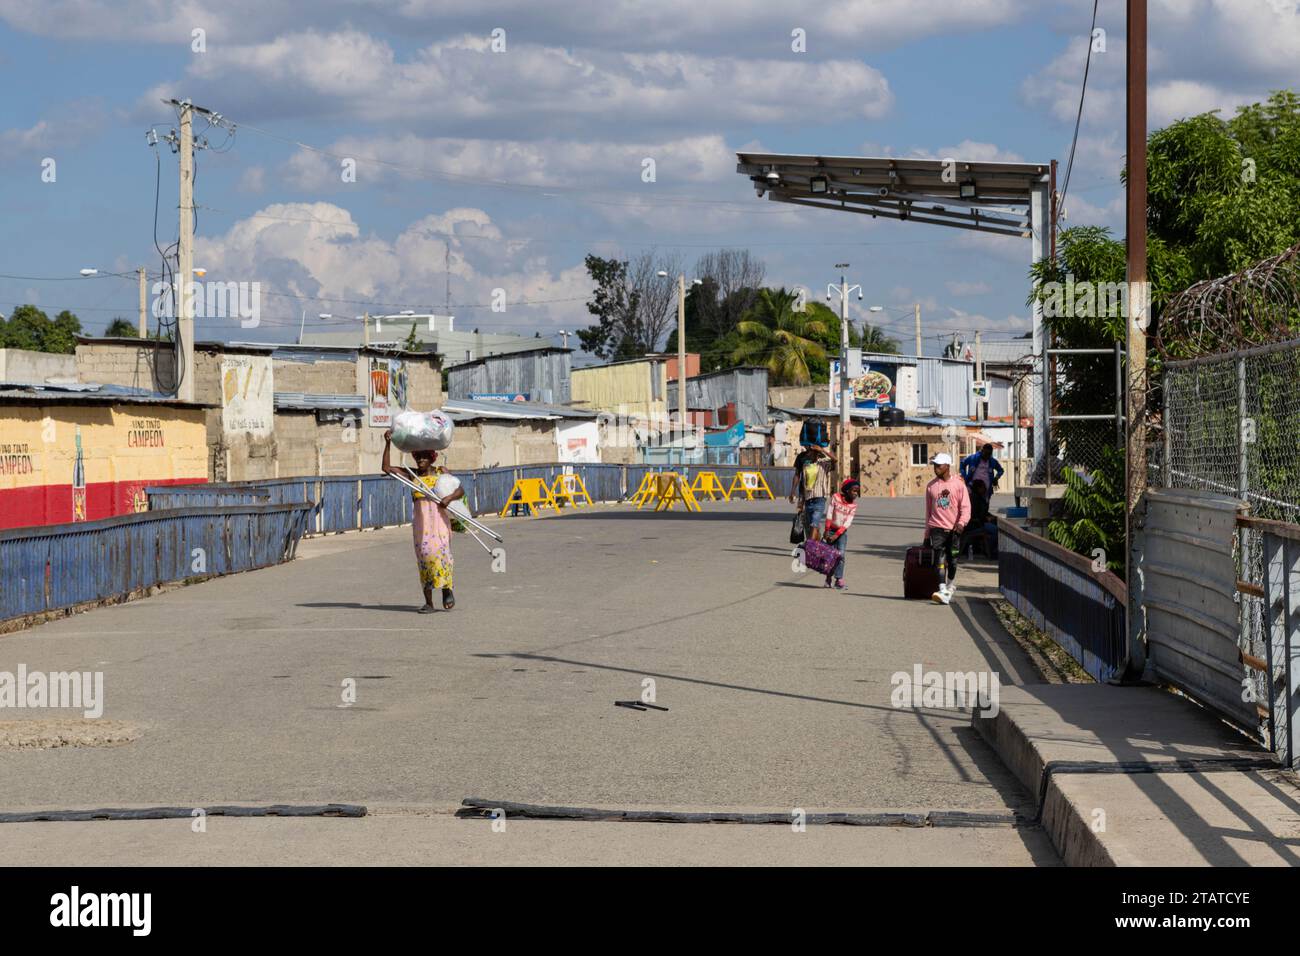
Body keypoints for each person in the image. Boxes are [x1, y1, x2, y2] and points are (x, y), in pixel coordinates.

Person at [382, 428, 465, 614]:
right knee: (425, 558)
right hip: (421, 526)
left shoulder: (440, 473)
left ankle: (446, 589)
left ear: (431, 458)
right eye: (417, 457)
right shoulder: (413, 476)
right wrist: (388, 443)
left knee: (441, 555)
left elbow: (460, 489)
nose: (420, 461)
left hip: (440, 524)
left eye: (423, 457)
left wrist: (449, 498)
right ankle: (429, 602)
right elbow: (386, 469)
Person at [925, 452, 970, 606]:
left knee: (953, 561)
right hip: (937, 528)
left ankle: (950, 586)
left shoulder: (958, 484)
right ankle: (943, 589)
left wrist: (961, 523)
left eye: (939, 465)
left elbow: (965, 507)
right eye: (934, 465)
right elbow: (928, 512)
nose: (936, 468)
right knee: (939, 560)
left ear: (947, 466)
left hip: (954, 530)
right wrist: (926, 534)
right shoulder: (931, 486)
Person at [790, 441, 834, 541]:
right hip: (804, 494)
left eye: (809, 444)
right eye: (806, 444)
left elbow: (834, 461)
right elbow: (797, 474)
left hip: (818, 494)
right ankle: (812, 542)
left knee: (814, 523)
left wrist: (822, 450)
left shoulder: (821, 456)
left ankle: (813, 544)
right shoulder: (801, 457)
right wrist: (792, 491)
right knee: (805, 520)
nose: (807, 447)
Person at [823, 479, 859, 591]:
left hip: (841, 532)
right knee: (830, 555)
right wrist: (827, 530)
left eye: (857, 491)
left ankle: (839, 580)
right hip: (831, 529)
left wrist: (836, 535)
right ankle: (828, 578)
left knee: (841, 555)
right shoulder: (836, 497)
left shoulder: (853, 506)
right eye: (854, 490)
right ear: (847, 490)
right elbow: (829, 513)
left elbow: (847, 522)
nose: (856, 493)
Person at [960, 479, 992, 557]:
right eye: (983, 487)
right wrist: (987, 519)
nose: (985, 489)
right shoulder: (974, 499)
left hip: (976, 523)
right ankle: (991, 552)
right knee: (995, 531)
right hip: (973, 525)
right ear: (978, 488)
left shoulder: (978, 497)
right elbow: (977, 515)